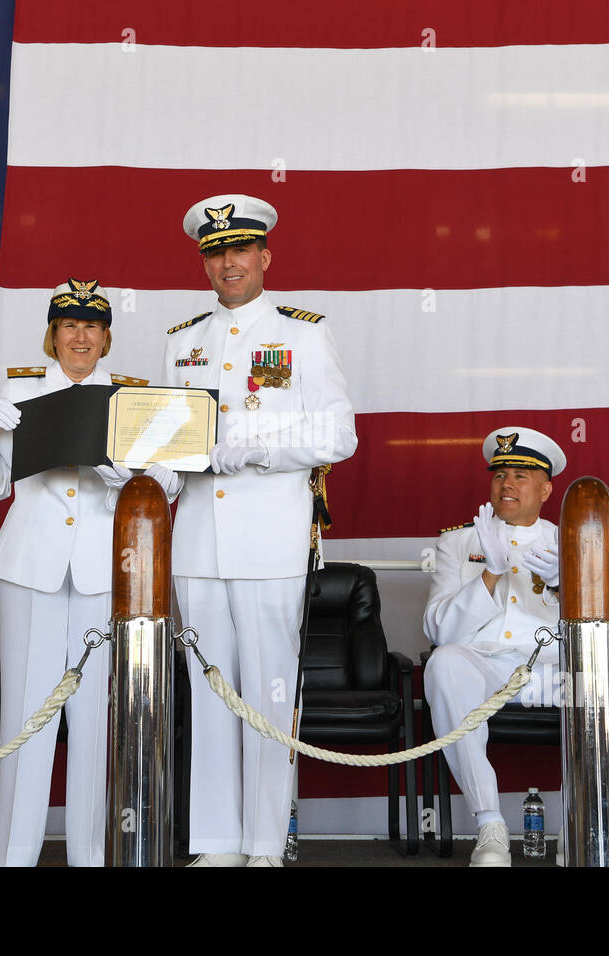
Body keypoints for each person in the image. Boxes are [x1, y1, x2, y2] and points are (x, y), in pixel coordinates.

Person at [162, 194, 357, 866]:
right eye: (215, 251)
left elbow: (338, 433)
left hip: (271, 538)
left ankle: (266, 845)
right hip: (196, 543)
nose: (227, 262)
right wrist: (136, 471)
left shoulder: (303, 332)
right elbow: (171, 449)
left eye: (239, 249)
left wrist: (252, 445)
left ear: (264, 255)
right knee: (210, 691)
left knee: (270, 693)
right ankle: (216, 844)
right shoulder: (180, 340)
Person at [0, 278, 180, 867]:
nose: (79, 336)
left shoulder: (134, 399)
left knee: (94, 726)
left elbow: (171, 481)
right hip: (30, 570)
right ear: (52, 336)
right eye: (68, 325)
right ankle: (13, 858)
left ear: (106, 337)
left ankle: (89, 856)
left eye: (91, 326)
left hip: (106, 574)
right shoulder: (16, 392)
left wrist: (125, 475)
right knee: (27, 720)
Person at [423, 426, 609, 866]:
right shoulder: (459, 542)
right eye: (500, 474)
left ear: (546, 488)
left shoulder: (575, 540)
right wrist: (491, 573)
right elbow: (440, 630)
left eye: (521, 475)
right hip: (486, 669)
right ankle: (490, 826)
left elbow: (596, 629)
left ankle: (582, 825)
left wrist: (567, 584)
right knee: (443, 663)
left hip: (553, 671)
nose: (508, 483)